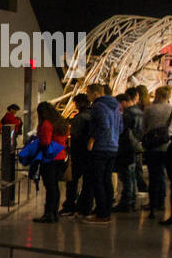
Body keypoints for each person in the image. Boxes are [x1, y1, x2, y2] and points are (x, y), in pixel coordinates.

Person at [77, 84, 121, 224]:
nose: (88, 97)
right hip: (113, 147)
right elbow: (120, 127)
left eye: (89, 94)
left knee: (97, 180)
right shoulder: (115, 107)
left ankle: (101, 214)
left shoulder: (99, 106)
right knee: (106, 180)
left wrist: (92, 138)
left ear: (96, 94)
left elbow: (104, 125)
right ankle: (106, 210)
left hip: (101, 147)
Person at [141, 86, 172, 219]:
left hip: (153, 147)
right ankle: (168, 204)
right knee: (171, 177)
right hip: (169, 146)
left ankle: (153, 206)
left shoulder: (149, 109)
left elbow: (144, 128)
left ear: (157, 95)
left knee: (154, 177)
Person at [30, 102, 69, 222]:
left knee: (50, 186)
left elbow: (45, 142)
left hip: (49, 158)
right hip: (61, 156)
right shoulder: (61, 122)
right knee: (55, 187)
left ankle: (48, 214)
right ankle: (54, 213)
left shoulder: (47, 123)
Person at [61, 94, 92, 216]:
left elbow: (75, 135)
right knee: (87, 181)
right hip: (90, 152)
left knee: (72, 180)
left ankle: (70, 204)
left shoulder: (80, 118)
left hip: (79, 153)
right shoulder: (94, 114)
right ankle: (85, 205)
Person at [112, 91, 143, 212]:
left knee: (126, 177)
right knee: (132, 175)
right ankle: (133, 200)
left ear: (123, 102)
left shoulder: (127, 115)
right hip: (136, 146)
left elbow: (122, 132)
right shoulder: (140, 112)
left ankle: (126, 202)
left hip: (126, 148)